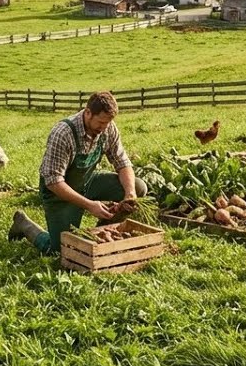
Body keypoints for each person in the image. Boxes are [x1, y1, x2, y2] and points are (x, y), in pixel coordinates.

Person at [8, 91, 147, 254]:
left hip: (87, 182)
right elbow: (53, 181)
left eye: (108, 123)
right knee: (61, 250)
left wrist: (130, 194)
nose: (104, 128)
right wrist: (89, 205)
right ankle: (23, 224)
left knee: (138, 187)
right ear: (88, 113)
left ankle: (101, 232)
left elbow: (122, 162)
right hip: (59, 193)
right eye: (101, 122)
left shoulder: (107, 128)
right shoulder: (63, 133)